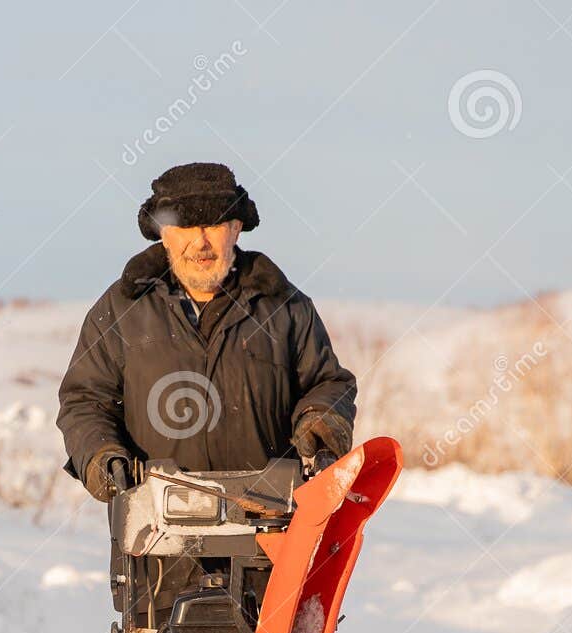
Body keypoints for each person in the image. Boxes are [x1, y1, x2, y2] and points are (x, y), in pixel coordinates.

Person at [56, 162, 357, 502]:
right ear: (164, 234)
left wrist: (322, 421)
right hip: (155, 533)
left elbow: (328, 384)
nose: (200, 242)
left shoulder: (285, 308)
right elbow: (85, 400)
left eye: (214, 224)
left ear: (236, 228)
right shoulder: (120, 311)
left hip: (267, 530)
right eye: (185, 226)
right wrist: (101, 455)